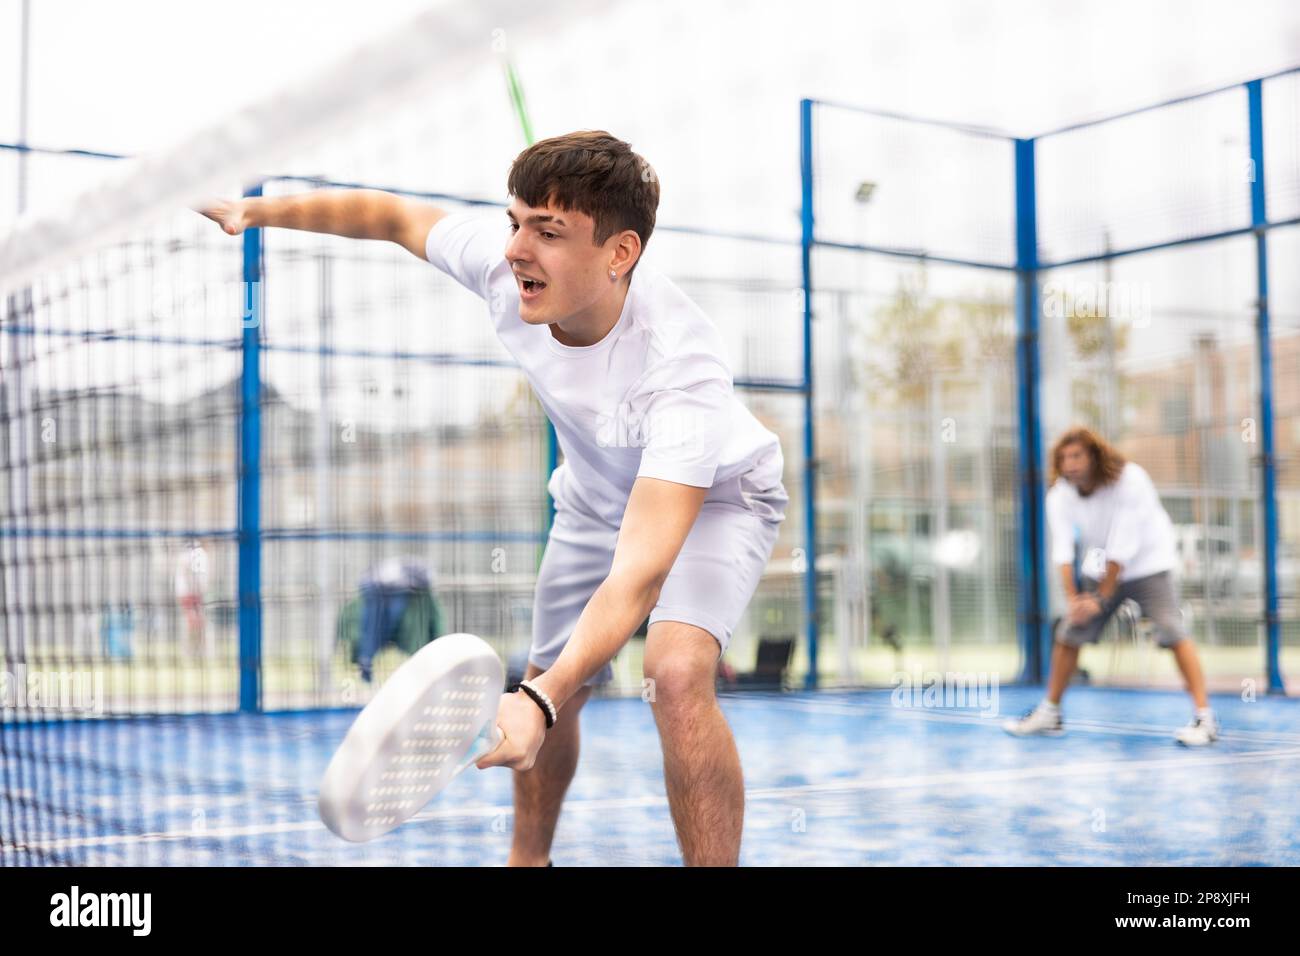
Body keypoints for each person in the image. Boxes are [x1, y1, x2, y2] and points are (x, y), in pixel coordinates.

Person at [199, 131, 788, 865]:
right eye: (515, 221)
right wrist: (254, 213)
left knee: (672, 673)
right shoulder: (505, 271)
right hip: (593, 497)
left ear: (620, 253)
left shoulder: (682, 368)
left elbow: (637, 576)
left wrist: (536, 702)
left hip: (717, 502)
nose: (517, 248)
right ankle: (527, 860)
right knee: (552, 679)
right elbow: (392, 218)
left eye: (548, 231)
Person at [1003, 426, 1218, 746]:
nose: (1070, 463)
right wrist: (1075, 600)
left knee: (1173, 631)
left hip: (1149, 564)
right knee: (1068, 633)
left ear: (1094, 456)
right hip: (1103, 566)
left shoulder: (1131, 479)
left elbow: (1123, 543)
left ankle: (1205, 719)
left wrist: (1101, 599)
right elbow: (1062, 549)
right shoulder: (1059, 494)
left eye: (1076, 455)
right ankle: (1051, 713)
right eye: (1063, 458)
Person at [174, 538, 211, 658]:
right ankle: (192, 652)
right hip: (190, 593)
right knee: (193, 622)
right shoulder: (196, 554)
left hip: (192, 593)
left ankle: (196, 651)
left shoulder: (193, 554)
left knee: (197, 622)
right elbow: (189, 573)